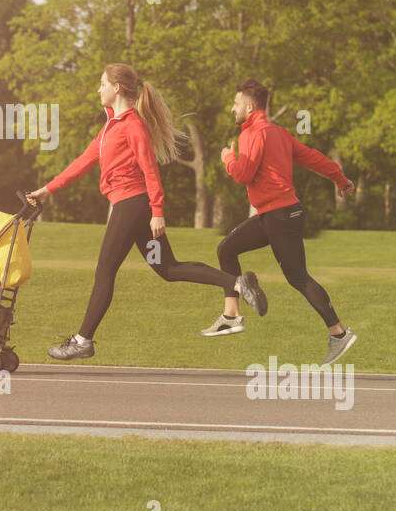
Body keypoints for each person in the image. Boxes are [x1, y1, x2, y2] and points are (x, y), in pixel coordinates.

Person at [26, 63, 262, 360]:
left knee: (105, 271)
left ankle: (83, 340)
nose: (98, 89)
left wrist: (157, 210)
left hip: (133, 207)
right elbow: (83, 162)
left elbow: (150, 169)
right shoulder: (111, 127)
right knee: (169, 269)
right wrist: (46, 190)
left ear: (117, 88)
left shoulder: (132, 126)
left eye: (102, 83)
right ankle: (239, 283)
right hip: (135, 209)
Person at [207, 77, 358, 366]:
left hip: (280, 216)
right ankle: (230, 316)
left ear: (250, 107)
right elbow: (312, 157)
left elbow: (243, 174)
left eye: (236, 103)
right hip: (276, 215)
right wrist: (339, 178)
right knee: (226, 249)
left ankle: (338, 333)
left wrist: (228, 158)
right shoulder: (278, 132)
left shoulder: (250, 134)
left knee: (298, 277)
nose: (231, 109)